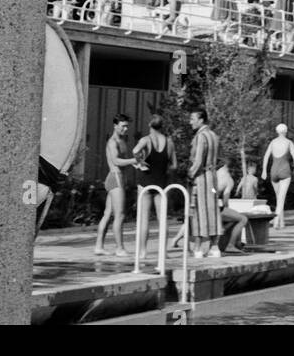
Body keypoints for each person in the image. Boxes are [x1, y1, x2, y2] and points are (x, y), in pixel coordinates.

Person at [94, 114, 142, 256]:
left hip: (118, 177)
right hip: (115, 178)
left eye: (127, 126)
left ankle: (98, 246)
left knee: (108, 214)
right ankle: (119, 248)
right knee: (120, 215)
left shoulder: (122, 140)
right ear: (115, 126)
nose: (125, 129)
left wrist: (137, 164)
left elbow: (124, 160)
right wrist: (134, 160)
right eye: (123, 126)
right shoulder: (113, 142)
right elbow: (115, 161)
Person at [133, 114, 177, 258]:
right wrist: (163, 169)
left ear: (149, 125)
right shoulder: (169, 142)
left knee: (144, 218)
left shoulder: (146, 140)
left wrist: (140, 162)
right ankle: (163, 252)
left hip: (146, 181)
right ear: (162, 126)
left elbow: (134, 151)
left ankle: (143, 252)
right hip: (161, 182)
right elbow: (174, 165)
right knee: (162, 219)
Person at [187, 108, 221, 258]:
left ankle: (198, 248)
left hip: (201, 178)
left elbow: (198, 160)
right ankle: (215, 246)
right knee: (212, 209)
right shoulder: (214, 135)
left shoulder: (201, 136)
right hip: (213, 177)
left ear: (201, 120)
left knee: (199, 211)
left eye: (192, 119)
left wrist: (190, 174)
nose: (190, 122)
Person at [261, 123, 294, 228]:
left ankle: (282, 223)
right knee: (281, 199)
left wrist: (264, 171)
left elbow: (266, 156)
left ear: (277, 131)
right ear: (286, 131)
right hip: (285, 171)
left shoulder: (273, 142)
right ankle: (276, 222)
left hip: (274, 171)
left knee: (279, 198)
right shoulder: (289, 143)